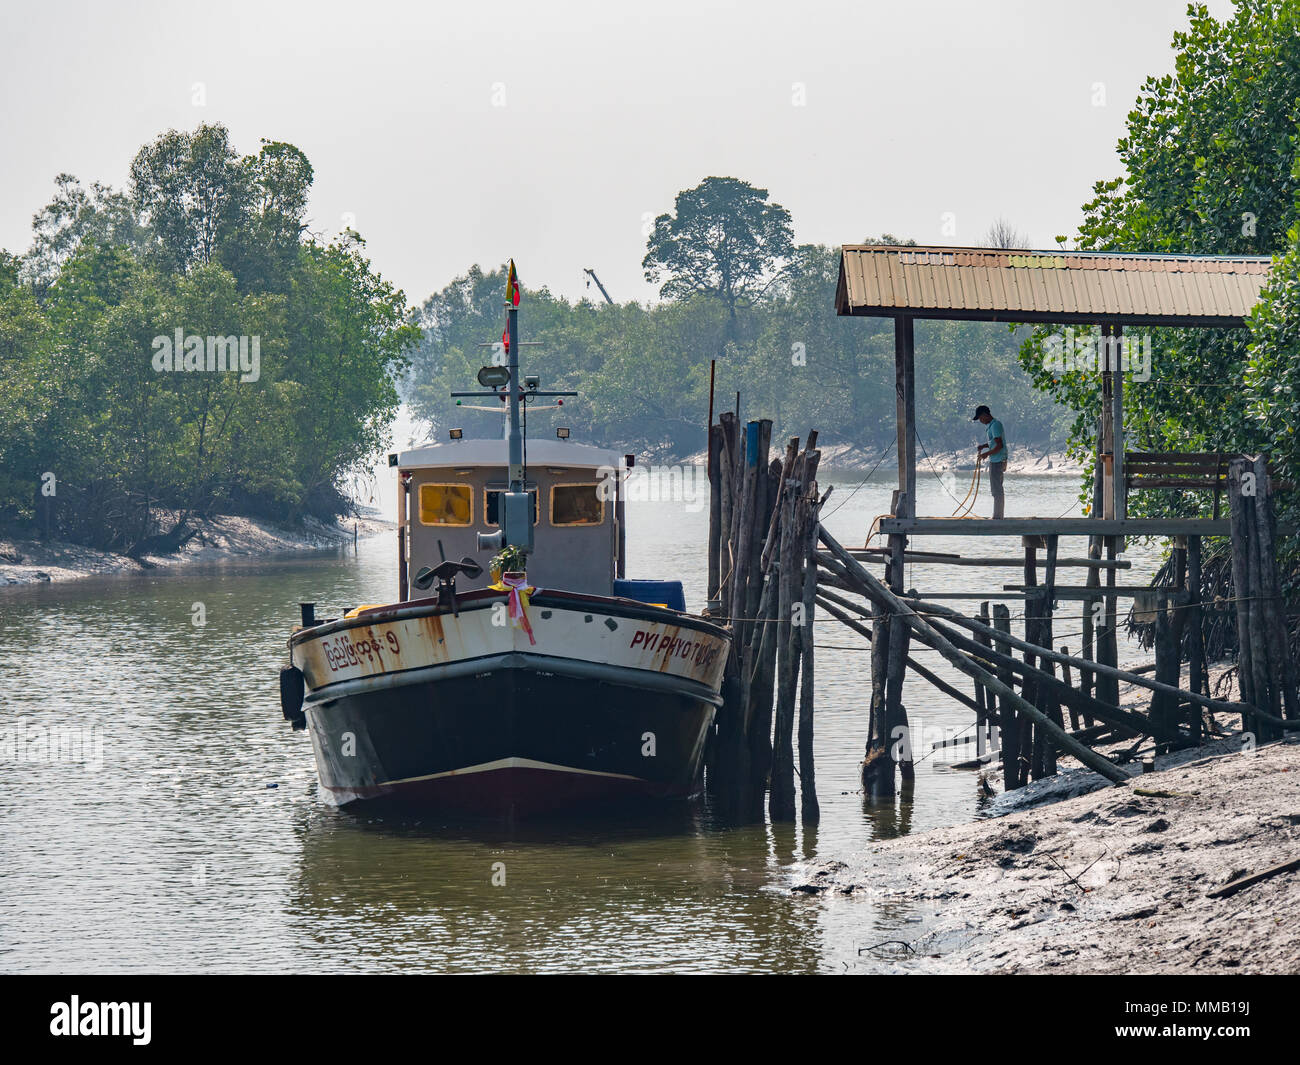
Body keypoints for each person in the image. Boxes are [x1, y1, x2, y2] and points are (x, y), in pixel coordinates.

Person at [973, 405, 1007, 519]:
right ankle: (997, 515)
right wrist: (984, 446)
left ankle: (998, 517)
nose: (980, 421)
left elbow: (999, 445)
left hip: (997, 460)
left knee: (997, 489)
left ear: (985, 415)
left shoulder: (995, 425)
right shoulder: (991, 426)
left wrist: (986, 454)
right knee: (996, 488)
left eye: (980, 418)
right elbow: (994, 442)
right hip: (996, 459)